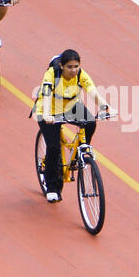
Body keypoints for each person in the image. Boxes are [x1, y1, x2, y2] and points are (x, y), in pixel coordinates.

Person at [33, 49, 110, 203]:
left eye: (76, 66)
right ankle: (52, 188)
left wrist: (105, 106)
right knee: (53, 148)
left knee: (90, 123)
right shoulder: (52, 74)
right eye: (69, 67)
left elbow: (91, 90)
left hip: (69, 107)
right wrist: (48, 115)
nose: (74, 70)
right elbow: (47, 94)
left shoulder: (81, 74)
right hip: (48, 111)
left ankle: (78, 155)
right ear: (61, 66)